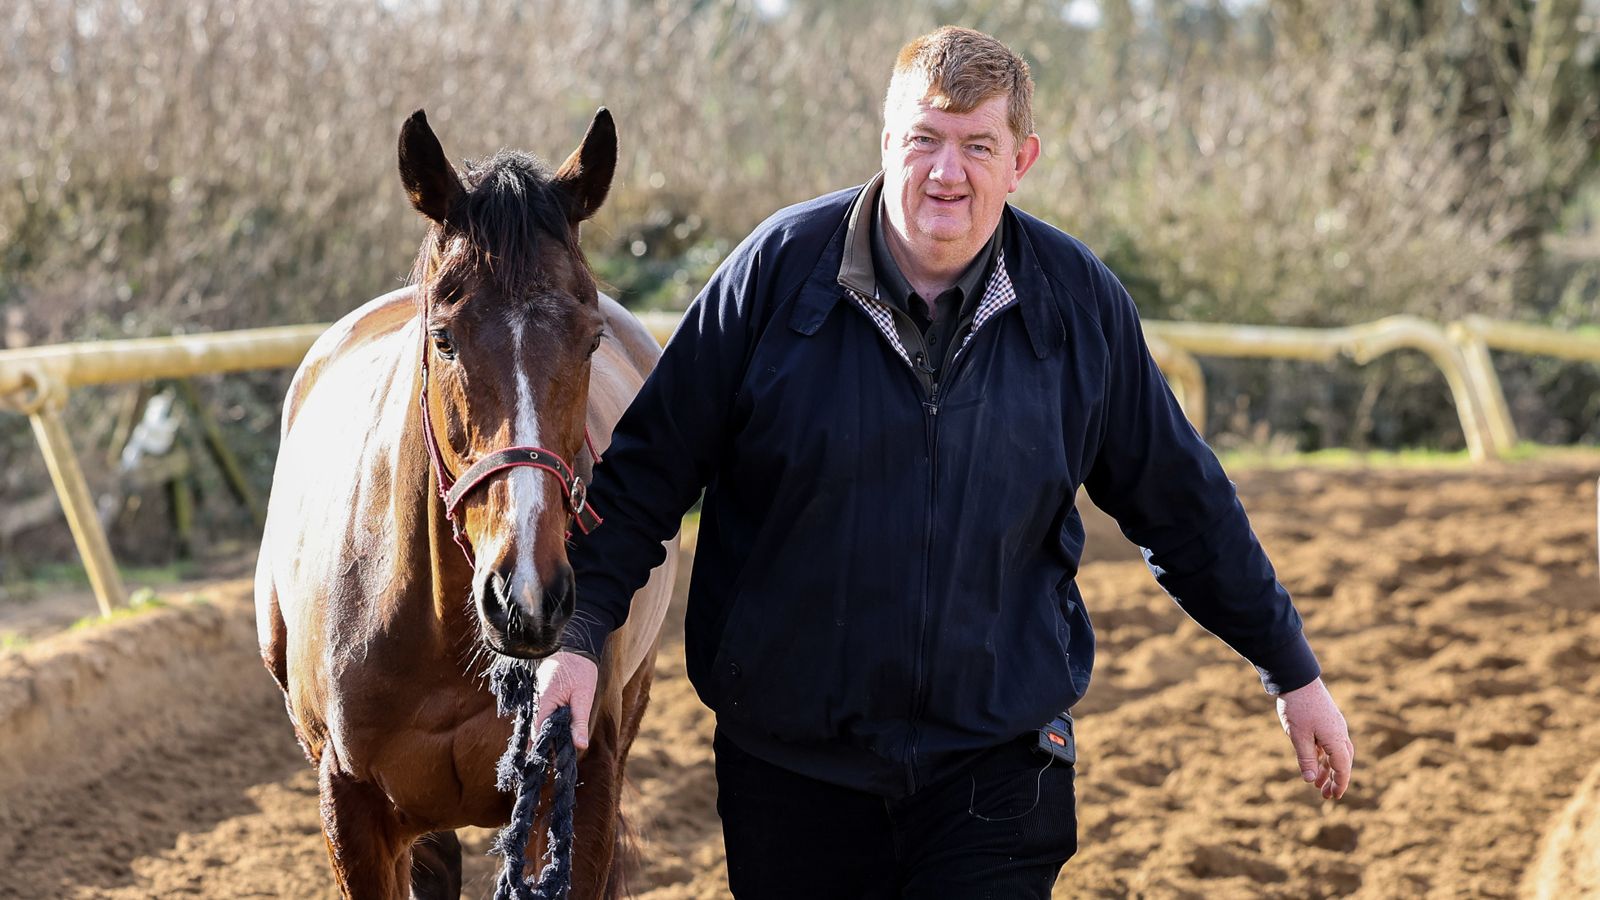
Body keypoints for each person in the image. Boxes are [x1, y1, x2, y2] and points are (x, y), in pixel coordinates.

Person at [539, 25, 1354, 898]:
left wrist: (1291, 668)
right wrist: (581, 638)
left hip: (997, 765)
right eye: (924, 140)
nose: (945, 172)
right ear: (886, 142)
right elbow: (644, 475)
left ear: (1021, 160)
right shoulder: (775, 275)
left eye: (977, 146)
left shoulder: (1078, 307)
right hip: (792, 770)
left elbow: (1185, 503)